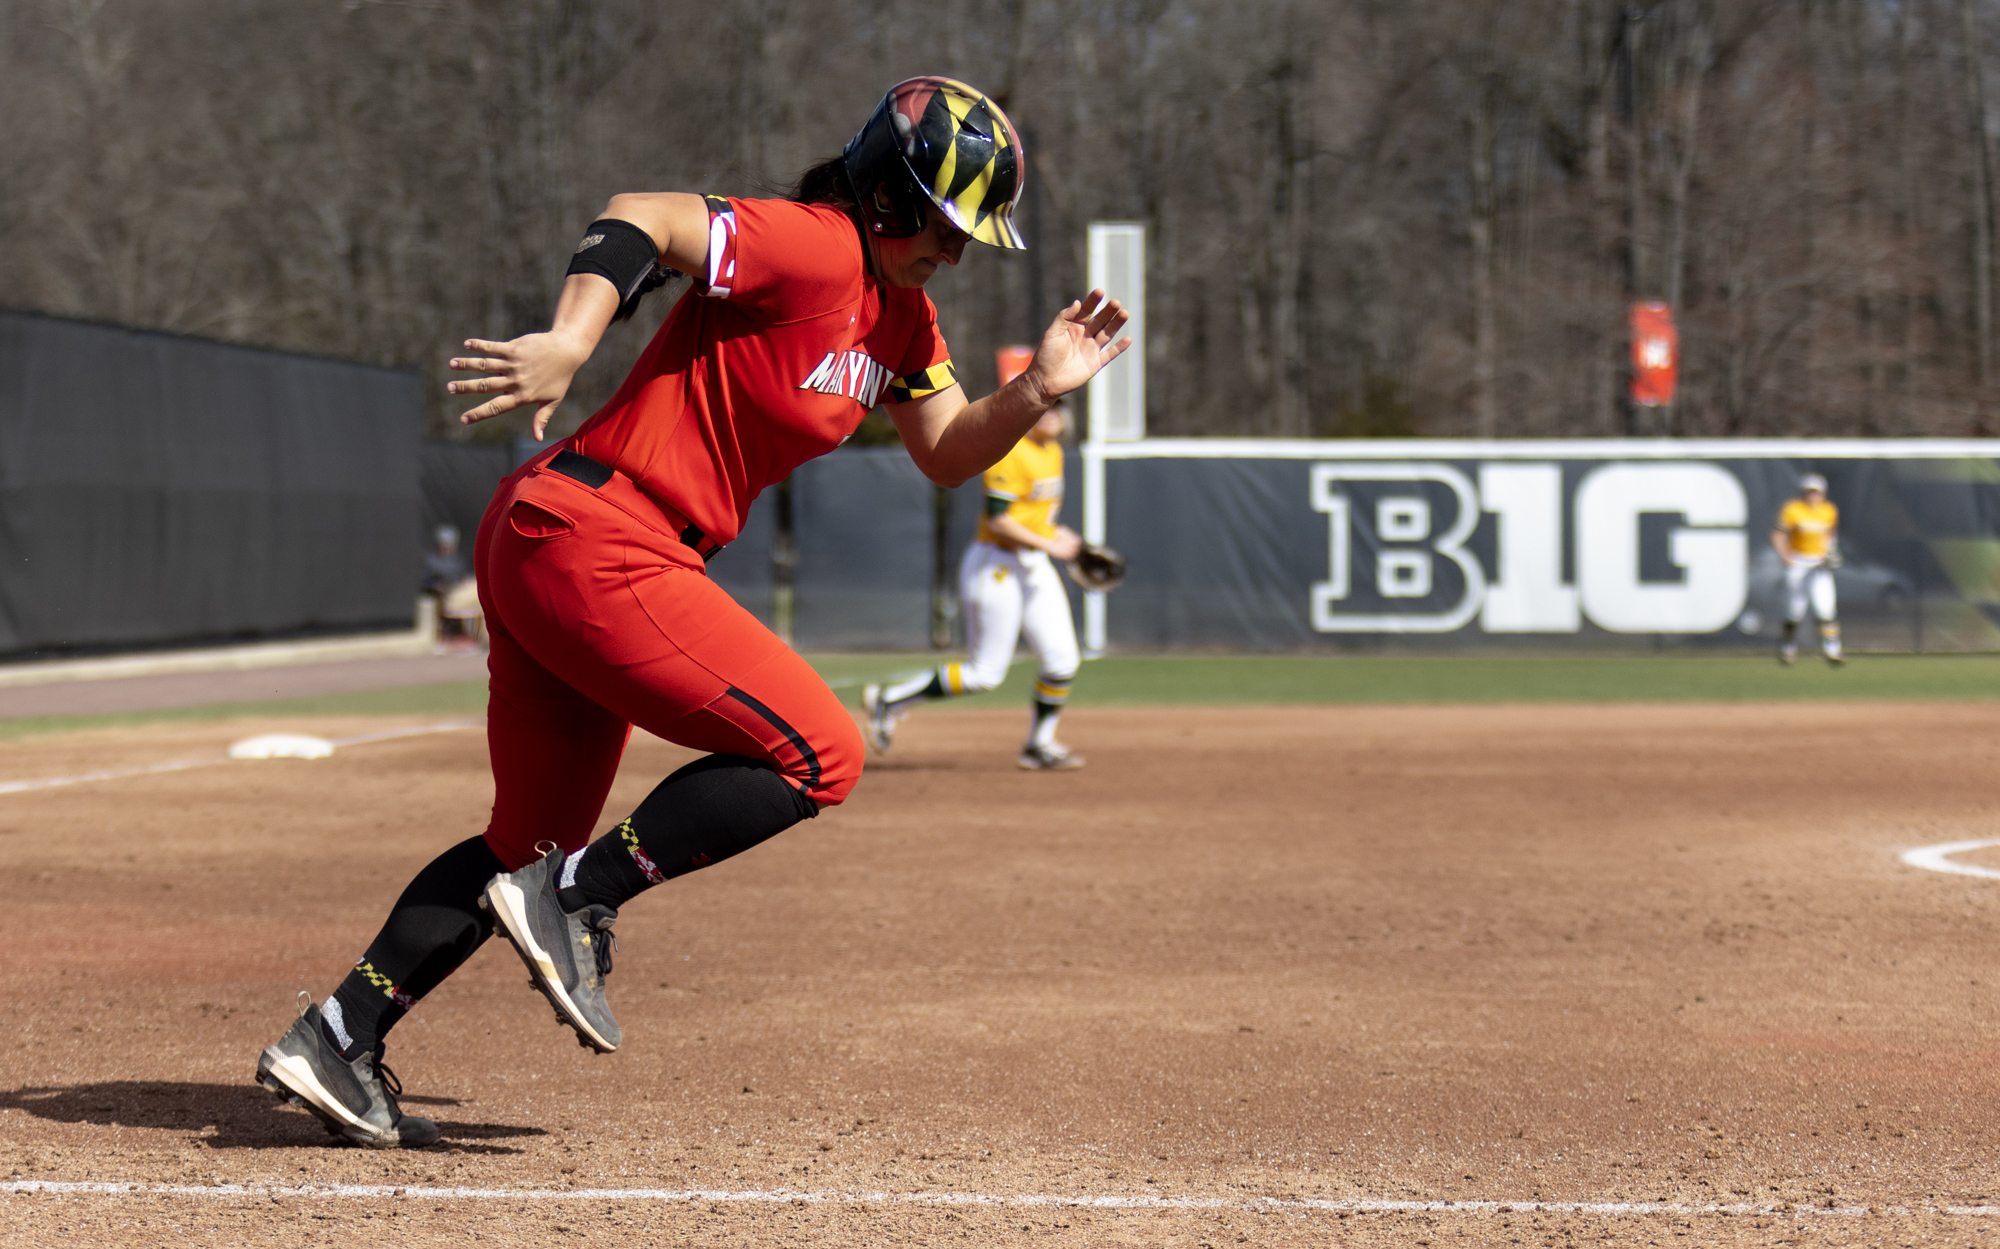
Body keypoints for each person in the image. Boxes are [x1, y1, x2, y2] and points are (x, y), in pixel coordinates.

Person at [252, 76, 1131, 1148]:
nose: (953, 252)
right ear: (888, 195)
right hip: (597, 538)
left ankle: (337, 1037)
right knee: (822, 752)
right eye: (945, 227)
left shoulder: (906, 317)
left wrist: (1038, 389)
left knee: (524, 838)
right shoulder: (816, 246)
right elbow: (644, 215)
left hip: (568, 538)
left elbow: (948, 453)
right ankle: (575, 897)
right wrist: (575, 338)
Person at [861, 392, 1085, 770]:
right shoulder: (1014, 452)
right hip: (994, 566)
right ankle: (890, 699)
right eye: (1048, 407)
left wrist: (1066, 540)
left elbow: (1034, 518)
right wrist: (1050, 543)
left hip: (1032, 565)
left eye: (1059, 408)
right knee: (985, 674)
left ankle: (1039, 744)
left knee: (1063, 661)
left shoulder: (1053, 453)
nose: (1053, 415)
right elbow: (999, 519)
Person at [1772, 472, 1843, 667]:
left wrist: (1831, 551)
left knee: (1826, 608)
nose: (1813, 496)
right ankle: (1788, 649)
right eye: (1810, 492)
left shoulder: (1828, 510)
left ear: (1823, 493)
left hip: (1819, 563)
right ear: (1802, 493)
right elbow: (1778, 534)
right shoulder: (1794, 510)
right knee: (1795, 610)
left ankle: (1833, 651)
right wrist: (1785, 556)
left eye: (1817, 492)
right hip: (1799, 562)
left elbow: (1830, 535)